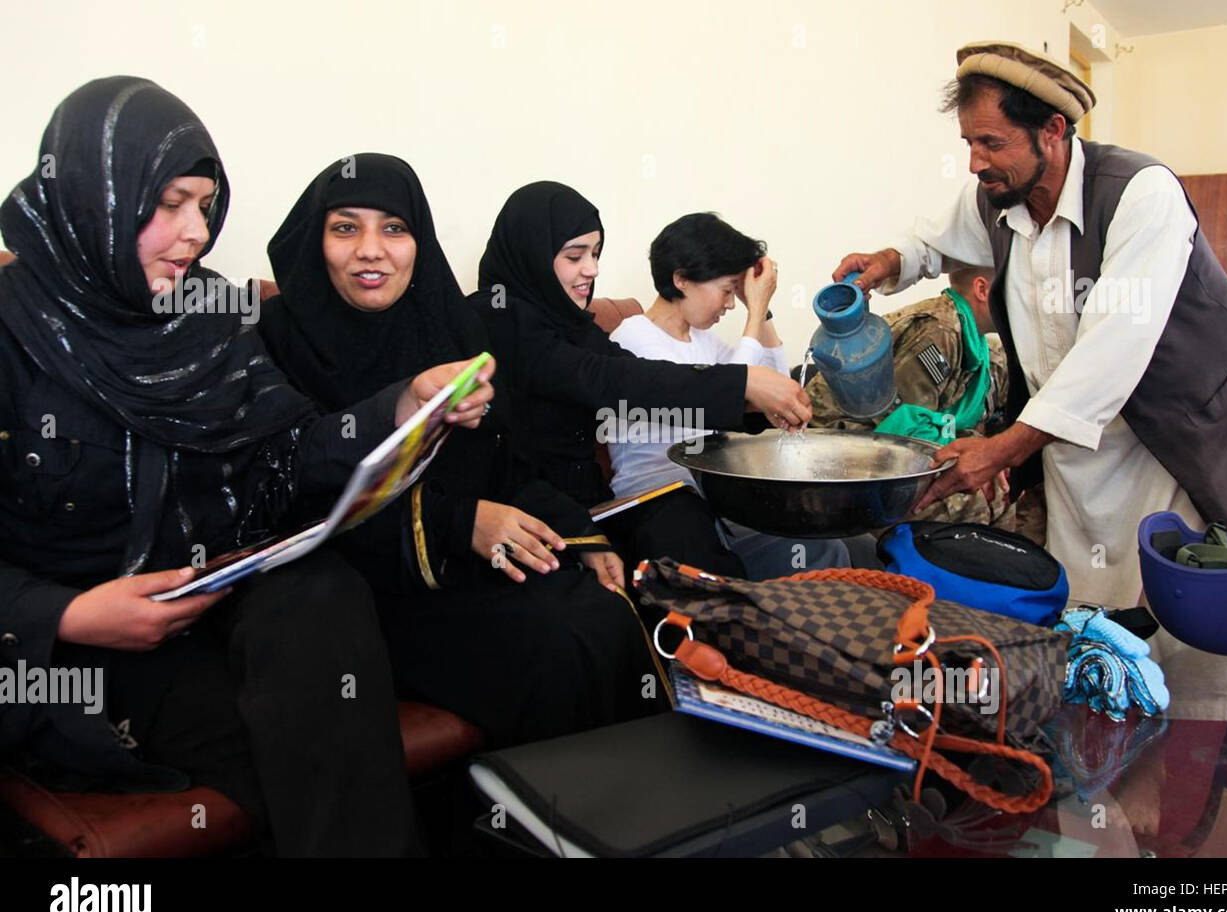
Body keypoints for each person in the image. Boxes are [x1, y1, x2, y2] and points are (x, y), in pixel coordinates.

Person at [0, 79, 488, 855]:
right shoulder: (12, 328)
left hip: (214, 601)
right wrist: (68, 615)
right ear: (95, 195)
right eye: (167, 203)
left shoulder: (212, 314)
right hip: (77, 645)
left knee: (321, 592)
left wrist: (401, 405)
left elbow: (283, 460)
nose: (195, 233)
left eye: (205, 204)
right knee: (295, 759)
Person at [832, 42, 1227, 607]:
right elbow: (932, 244)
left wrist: (1001, 449)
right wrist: (890, 261)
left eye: (992, 142)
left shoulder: (1141, 194)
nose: (975, 161)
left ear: (1053, 131)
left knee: (1173, 602)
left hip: (1168, 437)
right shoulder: (997, 196)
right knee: (1083, 599)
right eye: (969, 142)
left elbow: (1112, 350)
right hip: (1068, 440)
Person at [258, 154, 659, 745]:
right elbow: (294, 488)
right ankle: (531, 823)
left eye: (394, 228)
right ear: (315, 239)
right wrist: (458, 521)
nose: (372, 248)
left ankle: (628, 825)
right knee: (556, 638)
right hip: (366, 588)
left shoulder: (447, 328)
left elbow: (501, 459)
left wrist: (580, 534)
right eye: (346, 227)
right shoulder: (277, 338)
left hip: (468, 563)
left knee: (602, 611)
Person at [468, 181, 812, 580]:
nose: (592, 269)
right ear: (532, 252)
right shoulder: (498, 314)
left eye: (595, 254)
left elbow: (634, 382)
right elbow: (613, 381)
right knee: (678, 529)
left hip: (591, 510)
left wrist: (757, 396)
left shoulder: (576, 327)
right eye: (574, 256)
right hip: (537, 509)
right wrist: (744, 385)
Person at [608, 212, 850, 579]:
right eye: (726, 290)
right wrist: (752, 314)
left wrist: (762, 309)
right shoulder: (634, 338)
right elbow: (728, 395)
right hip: (660, 507)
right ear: (681, 279)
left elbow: (774, 382)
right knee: (813, 552)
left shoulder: (702, 340)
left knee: (828, 545)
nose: (730, 304)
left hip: (712, 501)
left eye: (736, 292)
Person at [808, 265, 1015, 530]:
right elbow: (904, 437)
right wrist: (976, 465)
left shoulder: (978, 344)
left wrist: (990, 455)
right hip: (838, 450)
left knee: (1011, 484)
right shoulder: (940, 331)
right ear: (982, 290)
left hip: (883, 444)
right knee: (981, 499)